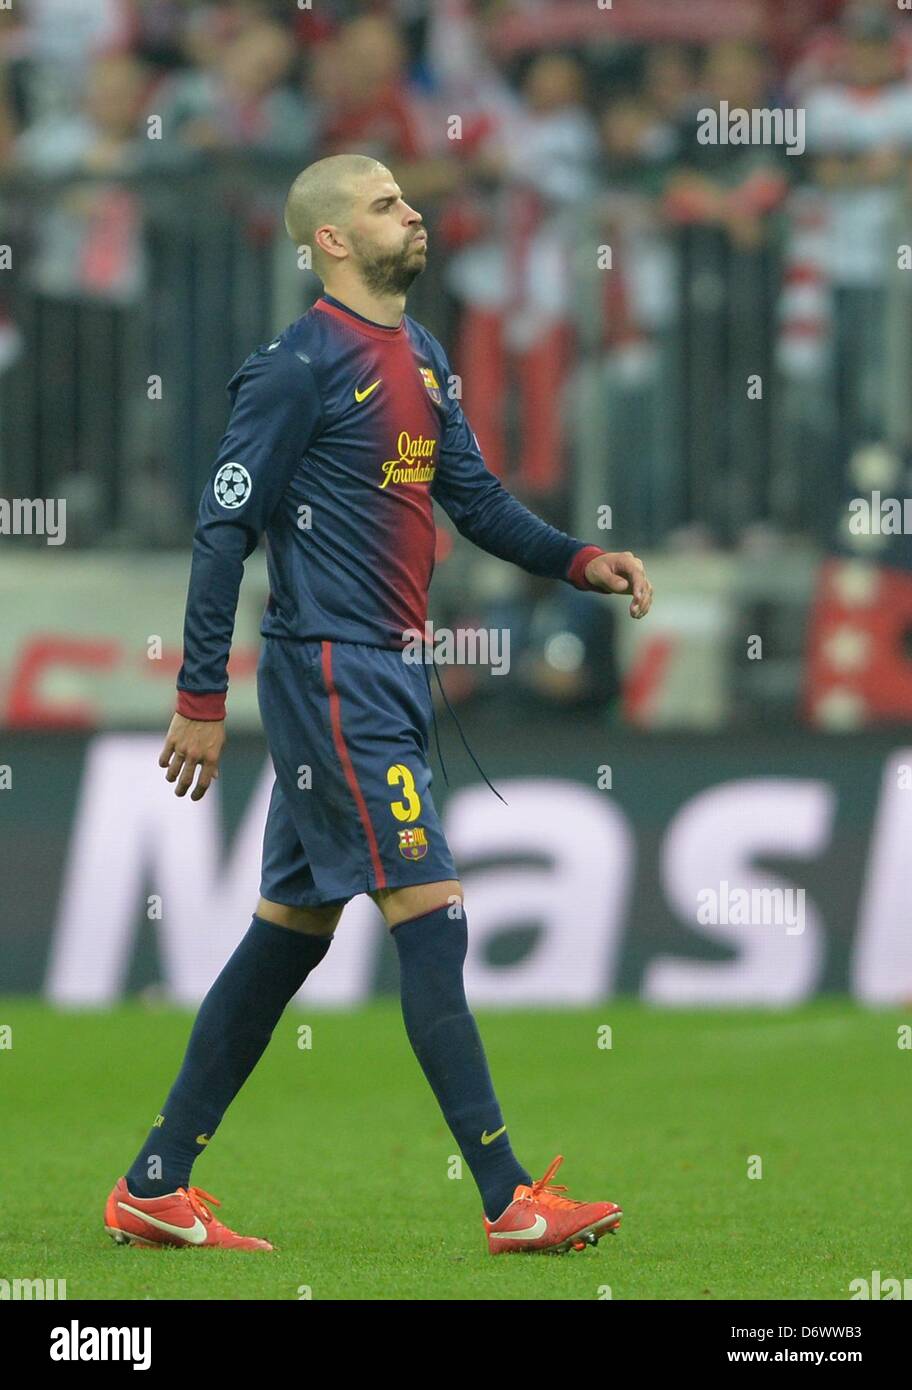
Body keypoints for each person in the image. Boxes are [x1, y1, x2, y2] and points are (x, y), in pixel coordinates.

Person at [103, 153, 653, 1256]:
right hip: (333, 673)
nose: (413, 211)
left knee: (287, 936)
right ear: (333, 242)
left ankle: (155, 1180)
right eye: (385, 202)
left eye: (408, 196)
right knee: (431, 912)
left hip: (392, 672)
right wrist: (200, 693)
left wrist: (577, 558)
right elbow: (224, 529)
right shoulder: (297, 366)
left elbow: (477, 500)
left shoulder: (425, 357)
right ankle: (509, 1198)